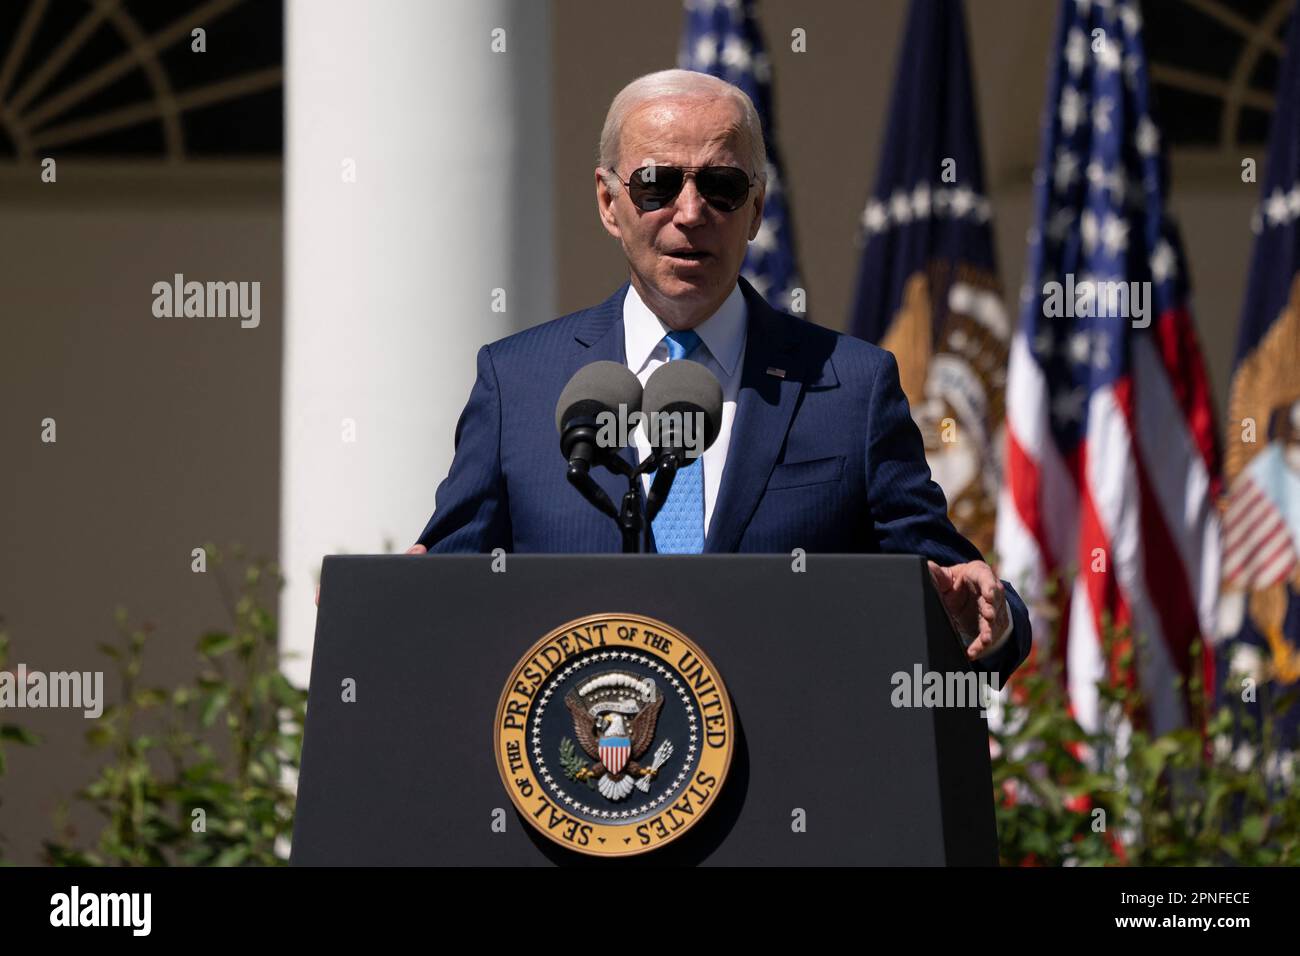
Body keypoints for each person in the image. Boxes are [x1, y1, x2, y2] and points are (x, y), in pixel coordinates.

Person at [408, 69, 1030, 682]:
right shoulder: (517, 381)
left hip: (787, 770)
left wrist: (987, 618)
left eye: (722, 186)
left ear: (756, 208)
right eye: (654, 184)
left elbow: (953, 590)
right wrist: (393, 604)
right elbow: (447, 586)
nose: (690, 212)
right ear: (608, 201)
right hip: (582, 761)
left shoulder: (851, 385)